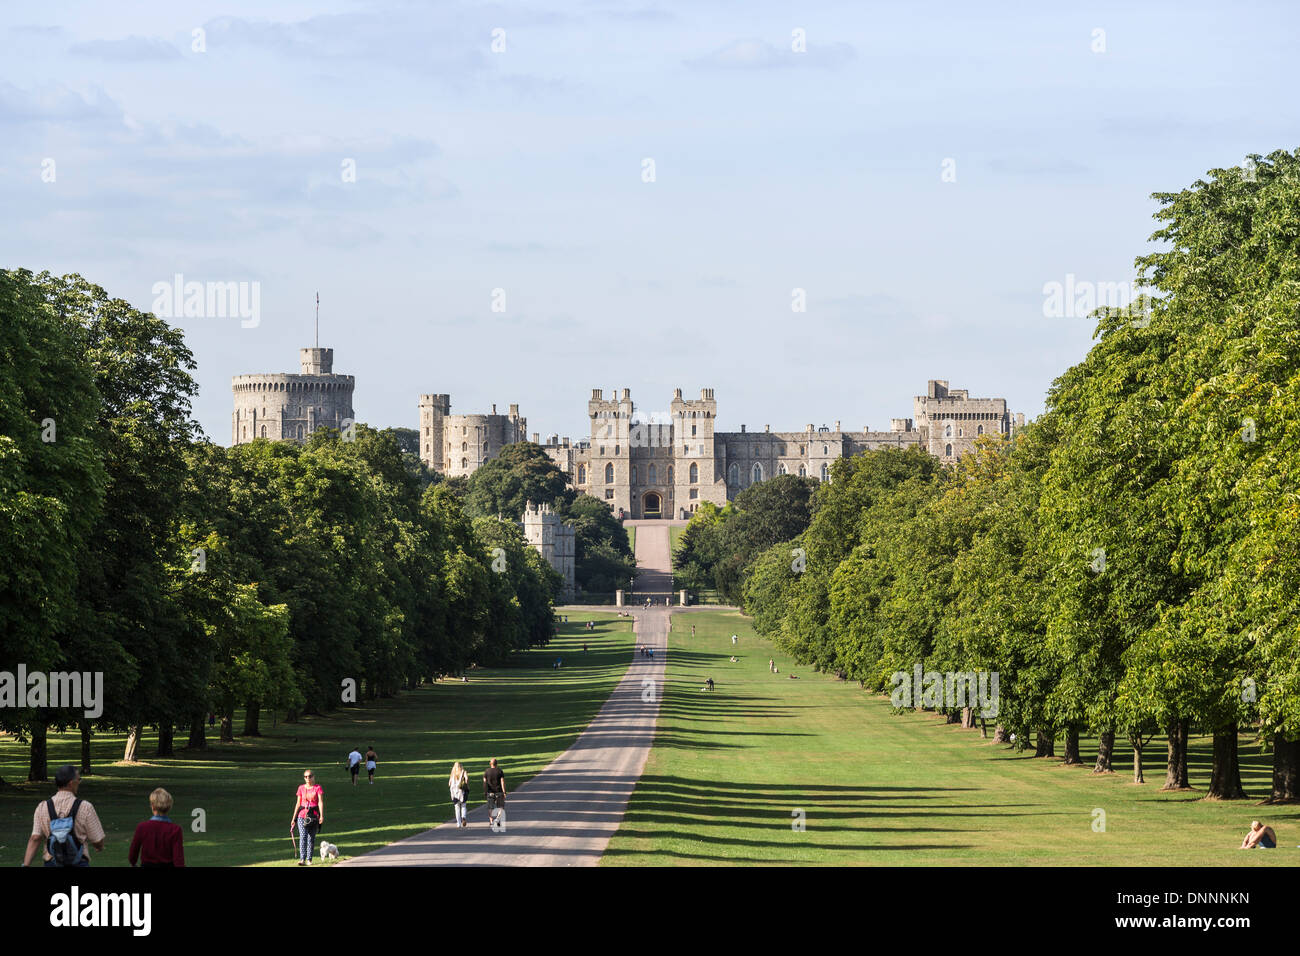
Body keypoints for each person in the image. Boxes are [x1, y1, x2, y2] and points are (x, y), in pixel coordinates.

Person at [23, 764, 106, 867]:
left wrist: (25, 865)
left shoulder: (43, 807)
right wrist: (99, 847)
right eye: (79, 779)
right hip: (79, 862)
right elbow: (97, 840)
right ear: (71, 783)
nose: (79, 782)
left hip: (52, 862)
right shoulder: (85, 807)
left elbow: (35, 838)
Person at [128, 788, 185, 867]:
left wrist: (133, 863)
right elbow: (178, 859)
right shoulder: (175, 830)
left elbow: (133, 852)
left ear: (152, 806)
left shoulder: (142, 827)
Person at [291, 770, 324, 865]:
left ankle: (309, 859)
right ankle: (302, 859)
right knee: (303, 836)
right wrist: (294, 818)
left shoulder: (318, 788)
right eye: (305, 777)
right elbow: (298, 803)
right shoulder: (301, 788)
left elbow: (320, 802)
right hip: (302, 815)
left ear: (313, 777)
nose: (308, 778)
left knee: (311, 838)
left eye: (310, 776)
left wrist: (321, 815)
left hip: (313, 816)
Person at [483, 758, 508, 831]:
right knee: (500, 807)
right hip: (499, 792)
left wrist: (485, 791)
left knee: (490, 807)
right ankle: (497, 819)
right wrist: (504, 791)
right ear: (496, 764)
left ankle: (491, 822)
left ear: (490, 764)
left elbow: (484, 782)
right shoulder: (500, 771)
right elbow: (502, 782)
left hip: (490, 792)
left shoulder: (486, 771)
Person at [449, 762, 470, 829]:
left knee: (457, 808)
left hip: (454, 792)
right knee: (463, 805)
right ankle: (463, 817)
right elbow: (467, 780)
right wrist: (466, 785)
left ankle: (458, 823)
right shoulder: (464, 772)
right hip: (462, 791)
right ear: (461, 766)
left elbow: (449, 783)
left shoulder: (453, 773)